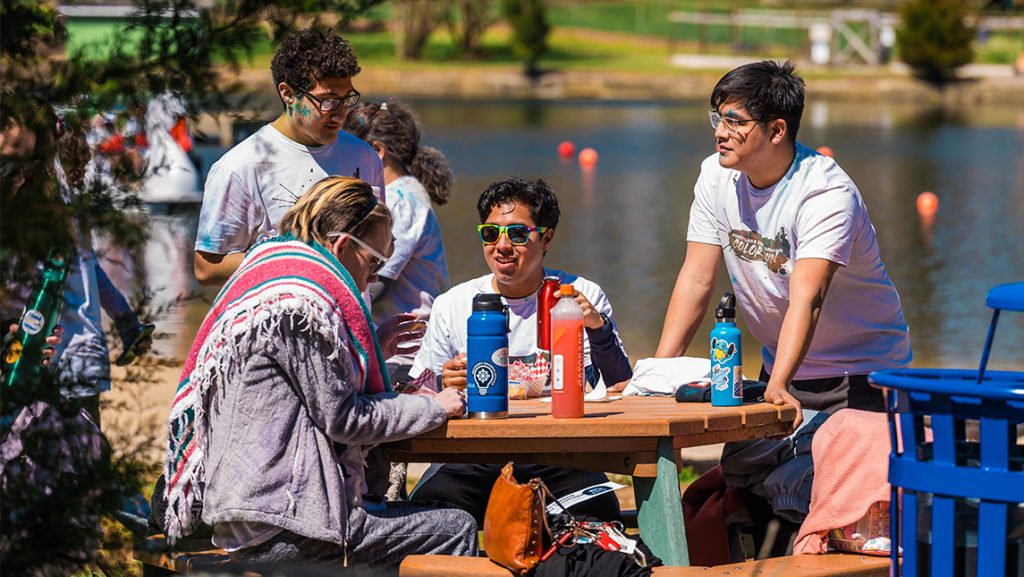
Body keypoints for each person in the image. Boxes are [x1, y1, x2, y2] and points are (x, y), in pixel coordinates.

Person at [655, 61, 911, 554]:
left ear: (777, 130)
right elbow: (695, 276)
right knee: (744, 478)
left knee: (825, 498)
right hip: (783, 368)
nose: (720, 133)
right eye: (717, 118)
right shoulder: (716, 176)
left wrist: (778, 384)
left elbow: (808, 296)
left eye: (734, 121)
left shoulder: (824, 193)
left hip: (861, 378)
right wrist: (660, 372)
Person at [162, 176, 477, 570]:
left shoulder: (272, 278)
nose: (376, 277)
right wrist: (435, 405)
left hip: (252, 510)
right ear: (343, 246)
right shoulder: (303, 305)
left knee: (404, 514)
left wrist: (373, 349)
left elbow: (305, 386)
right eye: (375, 262)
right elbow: (347, 419)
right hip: (284, 522)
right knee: (455, 526)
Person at [408, 176, 633, 526]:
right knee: (426, 515)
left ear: (546, 238)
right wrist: (442, 381)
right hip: (474, 453)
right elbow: (419, 394)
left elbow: (619, 387)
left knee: (599, 515)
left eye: (516, 234)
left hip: (560, 453)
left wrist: (596, 327)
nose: (501, 246)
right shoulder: (453, 304)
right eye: (490, 233)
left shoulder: (578, 295)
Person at [193, 28, 385, 286]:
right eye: (327, 101)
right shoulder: (239, 167)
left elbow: (378, 246)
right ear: (287, 93)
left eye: (346, 99)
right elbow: (206, 268)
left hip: (350, 321)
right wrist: (296, 258)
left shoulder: (364, 156)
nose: (340, 114)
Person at [342, 99, 452, 380]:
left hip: (409, 353)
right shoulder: (387, 197)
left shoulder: (403, 200)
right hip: (388, 347)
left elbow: (378, 282)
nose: (341, 162)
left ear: (377, 151)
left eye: (347, 152)